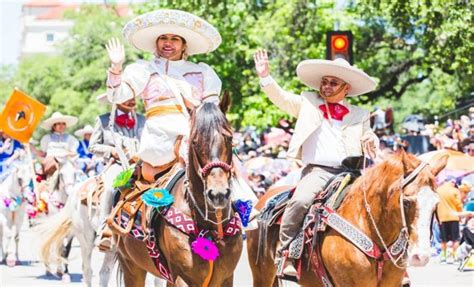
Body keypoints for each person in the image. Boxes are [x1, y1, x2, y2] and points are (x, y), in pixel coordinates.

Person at [254, 49, 379, 276]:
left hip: (352, 173)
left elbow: (368, 135)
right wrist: (265, 77)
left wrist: (372, 138)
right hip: (319, 172)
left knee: (382, 204)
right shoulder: (308, 102)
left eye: (333, 83)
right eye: (325, 82)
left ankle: (394, 260)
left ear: (346, 88)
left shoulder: (361, 114)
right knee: (300, 200)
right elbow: (281, 97)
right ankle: (287, 254)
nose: (327, 86)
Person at [105, 9, 222, 172]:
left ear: (184, 45)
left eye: (175, 39)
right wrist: (116, 67)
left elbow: (212, 112)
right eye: (163, 38)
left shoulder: (203, 72)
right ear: (156, 42)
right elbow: (116, 96)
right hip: (158, 144)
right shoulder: (144, 69)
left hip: (198, 141)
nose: (168, 43)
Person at [89, 93, 145, 251]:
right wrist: (112, 151)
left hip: (141, 163)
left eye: (134, 96)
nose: (132, 100)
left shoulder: (143, 120)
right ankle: (104, 231)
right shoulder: (103, 120)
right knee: (110, 188)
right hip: (117, 164)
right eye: (127, 96)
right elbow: (92, 147)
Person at [39, 112, 79, 177]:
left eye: (63, 124)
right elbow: (44, 153)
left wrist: (65, 154)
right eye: (58, 124)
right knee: (50, 181)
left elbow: (74, 153)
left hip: (66, 164)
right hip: (52, 165)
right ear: (53, 126)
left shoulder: (71, 138)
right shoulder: (46, 138)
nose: (61, 126)